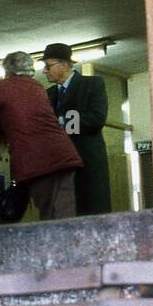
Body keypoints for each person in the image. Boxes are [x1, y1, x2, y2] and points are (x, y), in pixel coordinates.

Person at [0, 52, 83, 221]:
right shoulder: (37, 87)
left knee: (48, 213)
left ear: (7, 71)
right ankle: (71, 246)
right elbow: (25, 119)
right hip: (64, 154)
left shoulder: (5, 87)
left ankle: (53, 247)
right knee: (65, 212)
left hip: (37, 159)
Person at [42, 43, 111, 215]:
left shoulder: (92, 84)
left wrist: (61, 122)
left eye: (48, 66)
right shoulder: (47, 94)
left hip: (88, 165)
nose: (44, 71)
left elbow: (96, 118)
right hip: (59, 168)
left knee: (92, 213)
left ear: (64, 65)